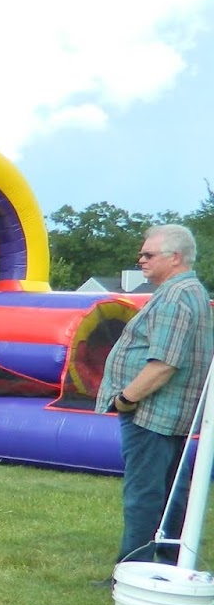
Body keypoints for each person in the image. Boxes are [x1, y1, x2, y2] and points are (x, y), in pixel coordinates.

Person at [96, 223, 214, 564]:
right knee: (169, 493)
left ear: (174, 258)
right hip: (170, 413)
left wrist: (126, 399)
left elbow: (163, 364)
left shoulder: (175, 298)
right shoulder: (191, 292)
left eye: (148, 254)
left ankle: (133, 569)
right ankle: (168, 561)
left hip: (152, 414)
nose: (141, 260)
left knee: (144, 496)